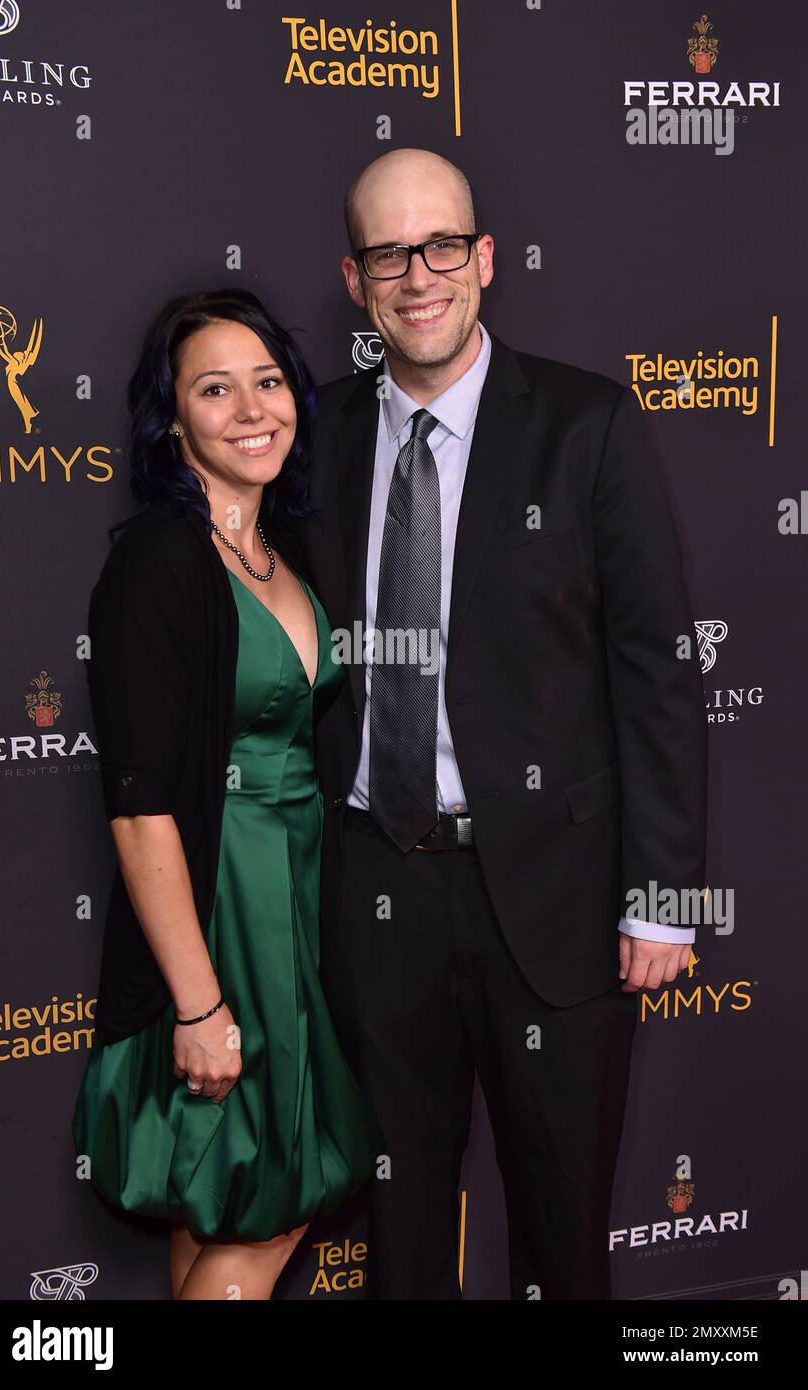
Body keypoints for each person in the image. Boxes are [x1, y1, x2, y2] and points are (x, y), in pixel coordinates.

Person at [294, 148, 708, 1299]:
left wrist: (663, 897)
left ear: (483, 259)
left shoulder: (588, 425)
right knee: (397, 1239)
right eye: (388, 251)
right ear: (354, 277)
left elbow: (658, 672)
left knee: (563, 1236)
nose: (417, 274)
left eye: (440, 246)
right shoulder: (311, 439)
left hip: (559, 901)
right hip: (378, 897)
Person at [72, 288, 383, 1301]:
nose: (254, 410)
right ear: (172, 419)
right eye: (216, 389)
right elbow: (140, 807)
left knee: (225, 1194)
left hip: (297, 906)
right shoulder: (161, 563)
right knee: (278, 1189)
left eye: (269, 381)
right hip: (217, 916)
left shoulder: (280, 555)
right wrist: (198, 1003)